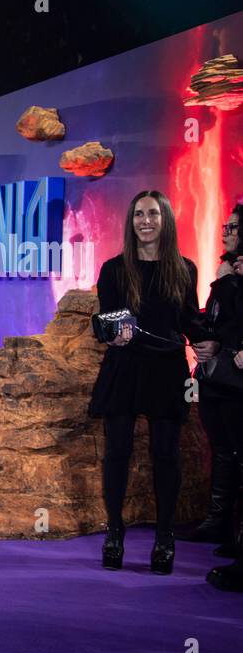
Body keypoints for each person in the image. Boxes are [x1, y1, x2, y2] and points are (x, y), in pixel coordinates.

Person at [88, 190, 204, 574]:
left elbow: (188, 319)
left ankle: (165, 539)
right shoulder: (114, 269)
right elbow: (105, 319)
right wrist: (112, 333)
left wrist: (210, 342)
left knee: (166, 455)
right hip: (124, 368)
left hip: (168, 369)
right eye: (139, 214)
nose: (146, 221)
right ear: (131, 221)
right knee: (117, 452)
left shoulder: (184, 269)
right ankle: (115, 533)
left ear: (165, 220)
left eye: (153, 213)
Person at [189, 201, 243, 550]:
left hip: (235, 380)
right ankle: (219, 521)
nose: (226, 232)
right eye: (225, 227)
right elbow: (219, 321)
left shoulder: (234, 277)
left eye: (233, 228)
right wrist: (203, 340)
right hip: (216, 376)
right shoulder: (225, 272)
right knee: (223, 450)